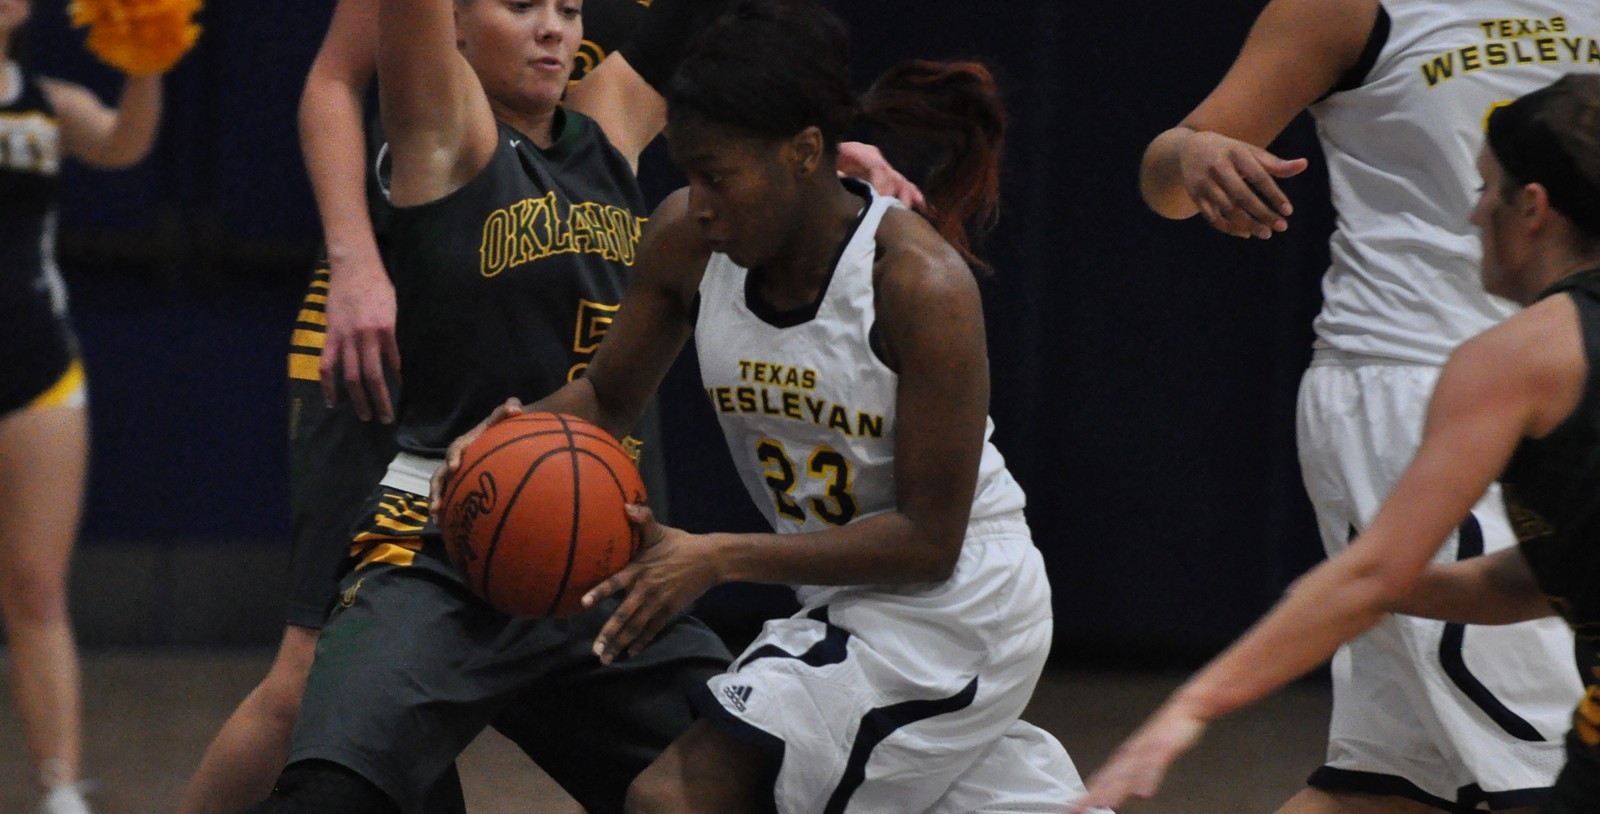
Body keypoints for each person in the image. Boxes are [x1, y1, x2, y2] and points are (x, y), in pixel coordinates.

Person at [433, 2, 1099, 811]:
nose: (699, 200)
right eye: (688, 174)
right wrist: (511, 436)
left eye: (719, 176)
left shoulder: (917, 285)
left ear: (804, 153)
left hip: (953, 611)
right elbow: (608, 396)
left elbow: (929, 540)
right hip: (846, 599)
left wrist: (717, 556)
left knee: (674, 797)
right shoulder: (687, 238)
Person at [1075, 73, 1600, 814]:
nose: (1473, 212)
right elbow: (1551, 574)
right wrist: (1372, 593)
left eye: (1487, 190)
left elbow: (1373, 578)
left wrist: (1187, 708)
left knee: (1519, 784)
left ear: (1534, 209)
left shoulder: (1521, 357)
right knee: (1384, 787)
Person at [0, 2, 178, 813]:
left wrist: (147, 62)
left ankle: (59, 787)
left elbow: (122, 142)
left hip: (37, 367)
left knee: (36, 590)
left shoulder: (45, 98)